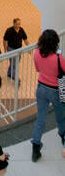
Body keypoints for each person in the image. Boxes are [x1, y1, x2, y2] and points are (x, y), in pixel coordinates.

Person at [30, 27, 65, 161]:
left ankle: (36, 146)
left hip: (41, 88)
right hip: (56, 90)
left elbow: (38, 69)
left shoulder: (37, 53)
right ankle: (63, 136)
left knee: (40, 118)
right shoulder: (58, 57)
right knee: (61, 117)